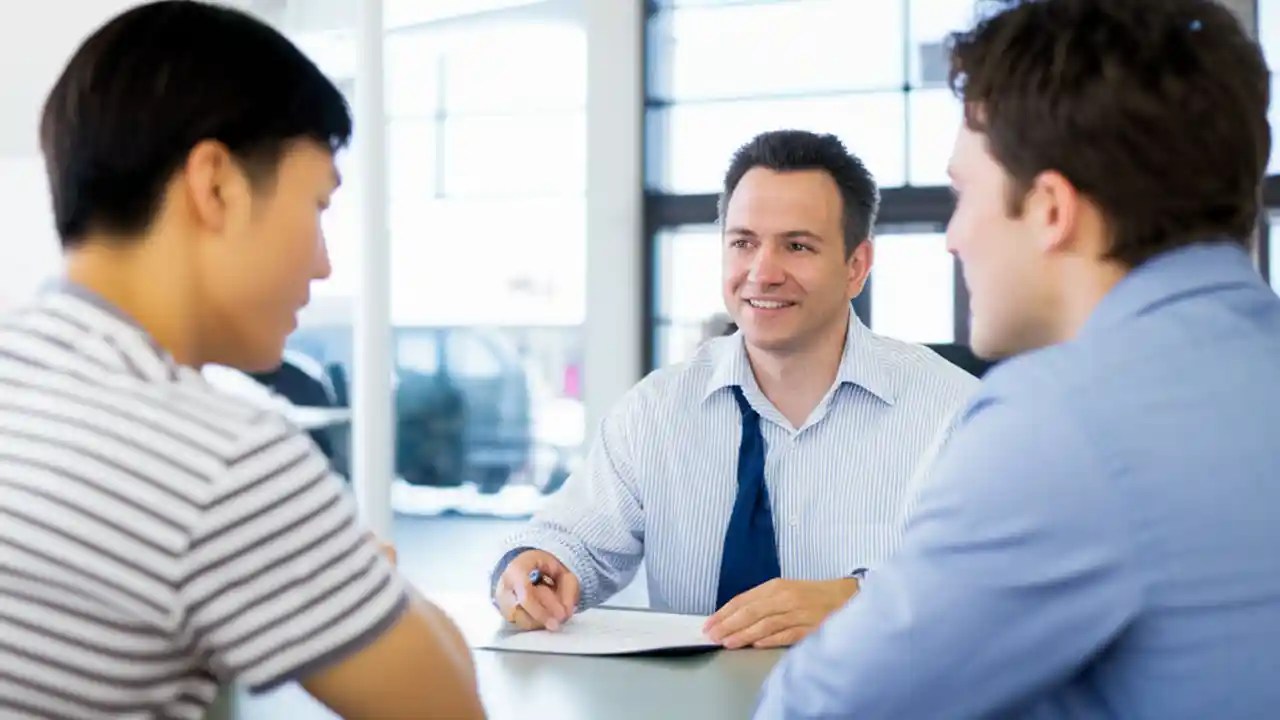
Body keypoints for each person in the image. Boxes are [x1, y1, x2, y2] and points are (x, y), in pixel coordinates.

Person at [754, 0, 1280, 717]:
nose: (953, 237)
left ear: (1050, 211)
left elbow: (822, 708)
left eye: (963, 194)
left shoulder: (1065, 419)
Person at [0, 2, 483, 718]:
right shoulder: (219, 461)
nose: (322, 264)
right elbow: (450, 708)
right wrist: (351, 578)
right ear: (216, 185)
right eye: (319, 206)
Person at [491, 130, 978, 650]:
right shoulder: (657, 411)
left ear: (856, 267)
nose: (763, 273)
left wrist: (861, 602)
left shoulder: (954, 414)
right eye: (743, 242)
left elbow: (992, 590)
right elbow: (569, 542)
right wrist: (534, 568)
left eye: (797, 245)